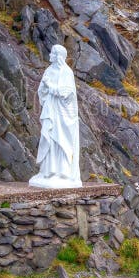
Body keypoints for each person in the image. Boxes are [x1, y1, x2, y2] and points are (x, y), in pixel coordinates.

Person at [29, 45, 82, 188]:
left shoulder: (66, 72)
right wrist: (46, 88)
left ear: (59, 56)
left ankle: (62, 172)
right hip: (51, 109)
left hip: (62, 113)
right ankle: (48, 171)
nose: (50, 54)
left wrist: (51, 86)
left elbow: (67, 93)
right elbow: (42, 90)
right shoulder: (49, 70)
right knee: (50, 138)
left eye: (53, 52)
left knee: (61, 140)